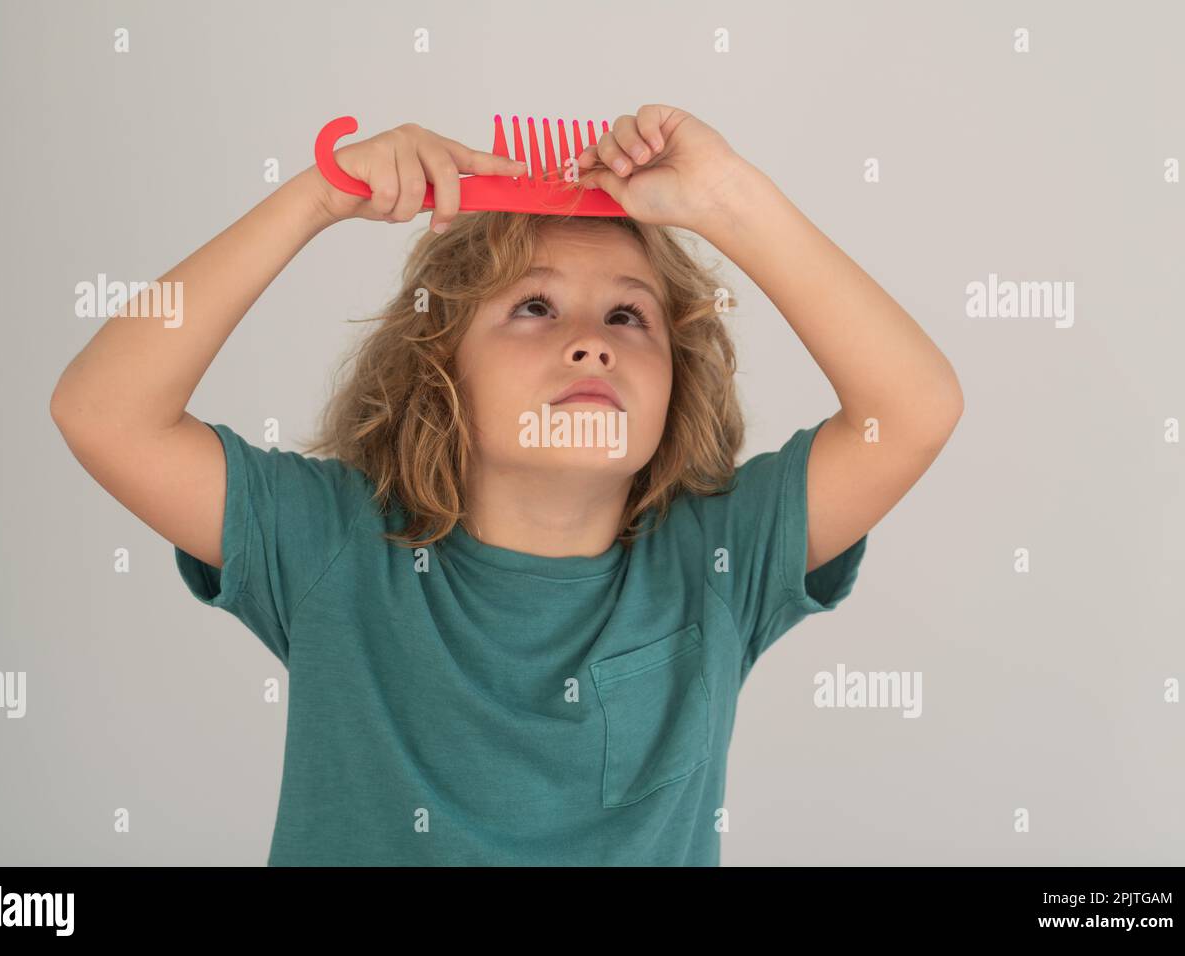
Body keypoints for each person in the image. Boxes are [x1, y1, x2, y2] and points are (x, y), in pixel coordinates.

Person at [50, 104, 962, 866]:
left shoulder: (720, 559)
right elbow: (105, 413)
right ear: (437, 367)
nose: (591, 339)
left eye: (628, 314)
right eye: (534, 305)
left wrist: (727, 200)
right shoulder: (331, 545)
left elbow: (915, 408)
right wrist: (316, 199)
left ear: (678, 377)